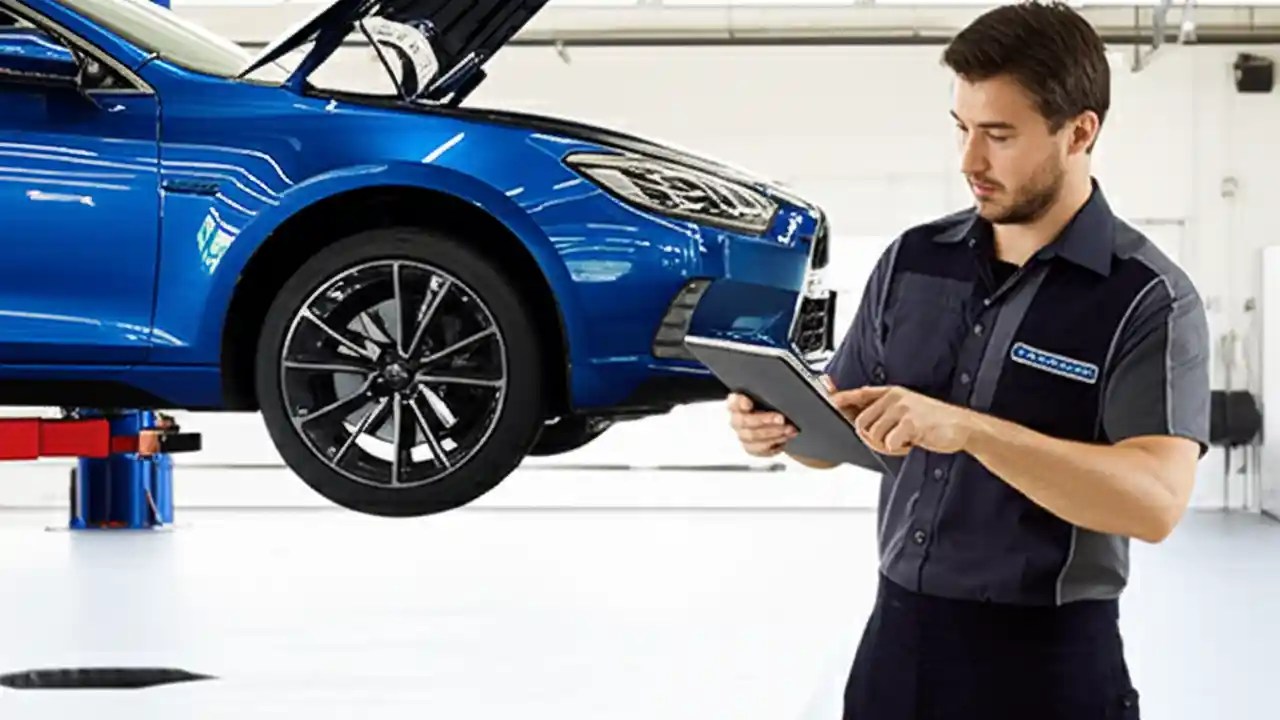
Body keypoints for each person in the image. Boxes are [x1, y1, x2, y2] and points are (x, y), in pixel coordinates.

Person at [727, 2, 1209, 718]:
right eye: (962, 129)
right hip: (897, 645)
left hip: (1048, 663)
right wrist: (782, 427)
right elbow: (837, 435)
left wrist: (970, 430)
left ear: (1080, 132)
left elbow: (1155, 503)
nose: (969, 162)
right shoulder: (913, 261)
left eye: (999, 136)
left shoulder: (1147, 298)